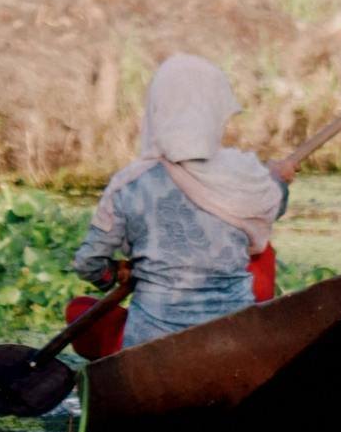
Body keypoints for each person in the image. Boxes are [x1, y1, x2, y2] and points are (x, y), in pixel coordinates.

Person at [71, 52, 303, 353]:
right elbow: (273, 206)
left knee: (79, 310)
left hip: (149, 349)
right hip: (235, 341)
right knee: (261, 254)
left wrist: (117, 273)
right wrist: (280, 181)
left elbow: (88, 264)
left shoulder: (129, 184)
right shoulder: (247, 174)